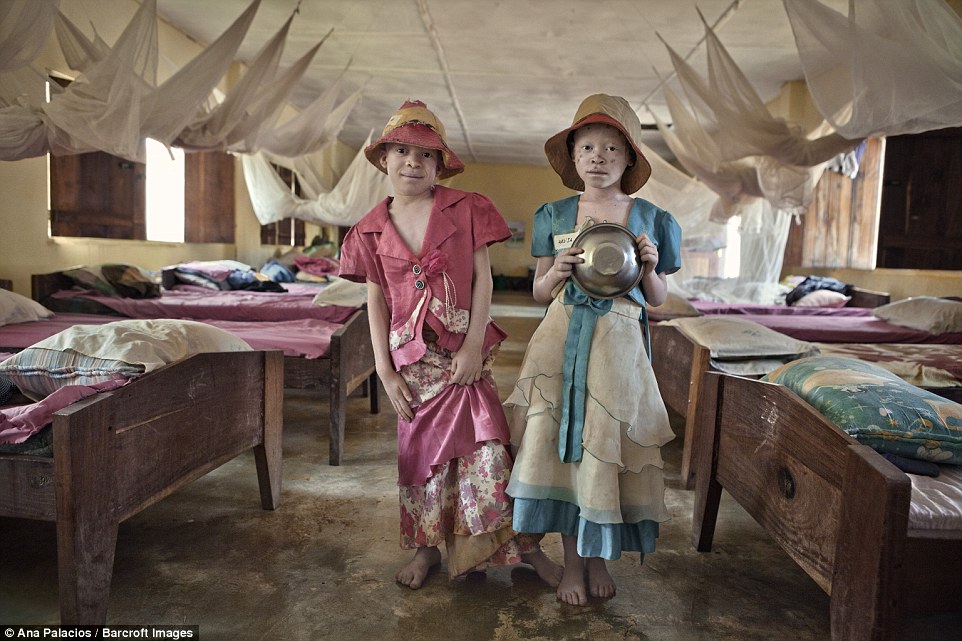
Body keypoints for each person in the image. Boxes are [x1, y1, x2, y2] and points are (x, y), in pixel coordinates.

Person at [338, 100, 562, 590]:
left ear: (440, 166)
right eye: (400, 151)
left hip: (465, 356)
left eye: (425, 155)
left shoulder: (469, 208)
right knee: (420, 459)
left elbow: (483, 281)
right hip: (410, 367)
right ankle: (426, 551)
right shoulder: (369, 230)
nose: (412, 162)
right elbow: (375, 302)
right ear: (384, 160)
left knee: (490, 454)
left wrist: (473, 345)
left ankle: (526, 548)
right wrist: (384, 369)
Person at [504, 94, 681, 606]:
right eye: (586, 147)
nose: (597, 157)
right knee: (559, 446)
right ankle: (572, 566)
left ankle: (598, 558)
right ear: (573, 157)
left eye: (610, 148)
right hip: (560, 340)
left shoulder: (650, 217)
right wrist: (556, 271)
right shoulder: (554, 213)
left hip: (618, 345)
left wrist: (649, 268)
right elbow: (540, 292)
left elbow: (658, 299)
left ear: (629, 159)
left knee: (604, 445)